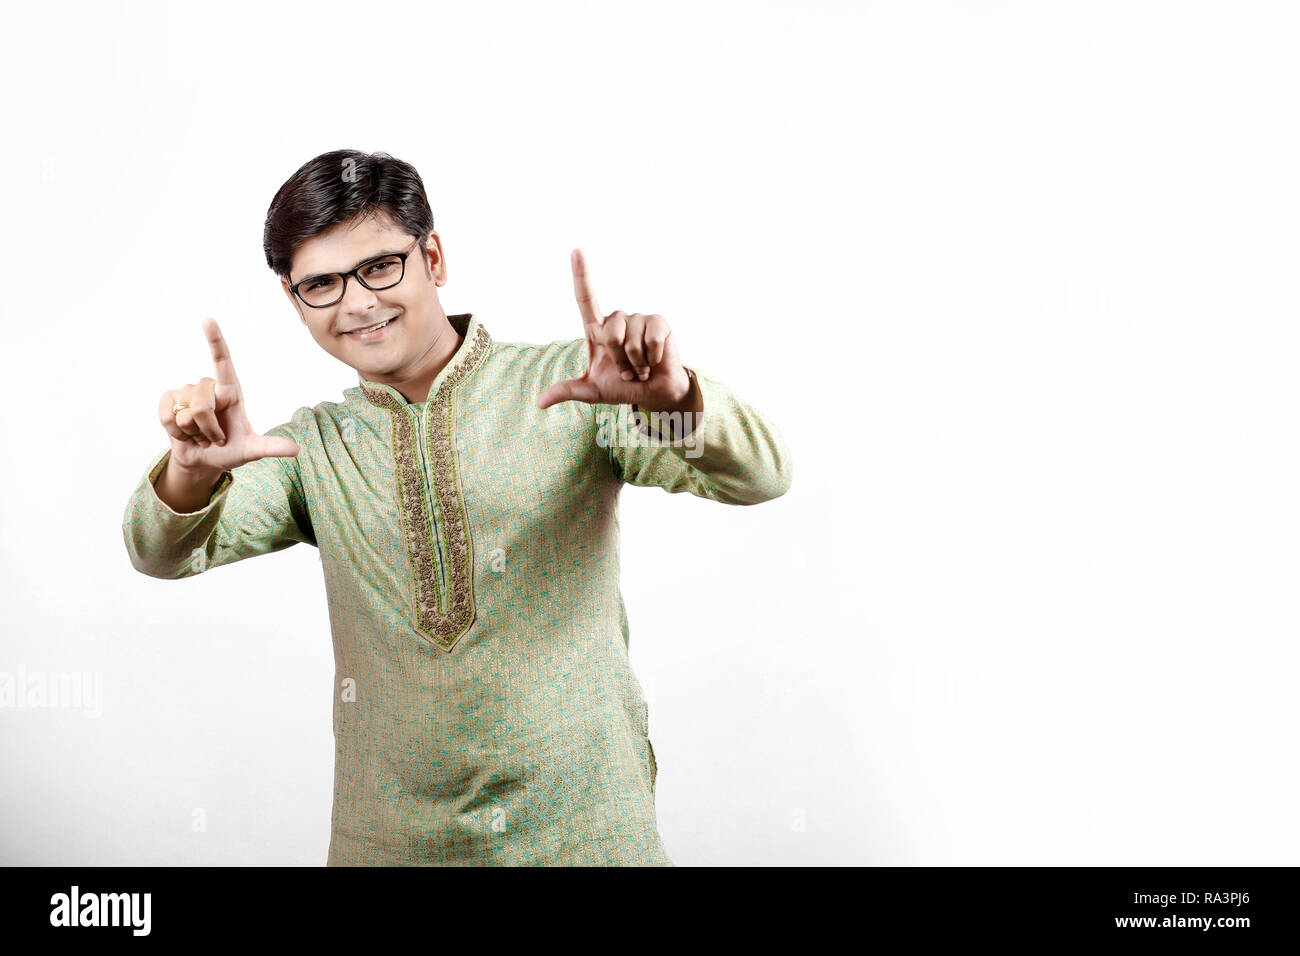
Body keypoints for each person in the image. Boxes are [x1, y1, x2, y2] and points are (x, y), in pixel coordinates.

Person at [121, 149, 792, 866]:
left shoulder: (578, 387)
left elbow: (760, 474)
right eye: (320, 283)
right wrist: (190, 470)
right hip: (389, 846)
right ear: (293, 300)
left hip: (588, 837)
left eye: (379, 266)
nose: (356, 302)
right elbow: (159, 552)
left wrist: (675, 398)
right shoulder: (306, 450)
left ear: (432, 257)